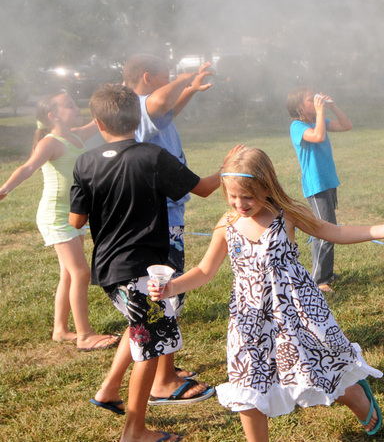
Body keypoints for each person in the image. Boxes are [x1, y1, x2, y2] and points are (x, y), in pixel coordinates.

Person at [148, 146, 384, 441]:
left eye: (248, 196)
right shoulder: (227, 225)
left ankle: (355, 395)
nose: (240, 203)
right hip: (249, 318)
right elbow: (204, 270)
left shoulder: (286, 214)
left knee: (318, 371)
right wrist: (172, 287)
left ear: (267, 186)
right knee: (247, 384)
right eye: (232, 196)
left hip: (297, 312)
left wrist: (382, 229)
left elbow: (333, 232)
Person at [69, 84, 228, 442]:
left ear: (97, 123)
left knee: (142, 330)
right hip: (143, 270)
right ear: (137, 117)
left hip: (110, 269)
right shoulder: (152, 156)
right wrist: (226, 168)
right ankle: (134, 432)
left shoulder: (85, 161)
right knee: (151, 345)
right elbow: (202, 188)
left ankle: (109, 392)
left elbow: (76, 221)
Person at [122, 53, 217, 398]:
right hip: (162, 219)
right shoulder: (141, 105)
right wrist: (184, 77)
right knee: (167, 295)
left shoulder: (152, 111)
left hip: (165, 215)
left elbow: (169, 108)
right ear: (148, 77)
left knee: (164, 296)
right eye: (166, 76)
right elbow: (159, 101)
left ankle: (165, 369)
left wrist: (189, 88)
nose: (171, 82)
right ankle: (164, 382)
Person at [0, 92, 119, 351]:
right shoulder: (50, 142)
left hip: (72, 215)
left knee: (68, 273)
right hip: (55, 216)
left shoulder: (76, 135)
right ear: (52, 115)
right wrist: (4, 189)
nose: (76, 108)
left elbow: (99, 119)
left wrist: (121, 90)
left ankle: (61, 330)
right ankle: (85, 336)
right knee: (81, 272)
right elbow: (28, 167)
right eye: (69, 106)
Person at [287, 87, 353, 293]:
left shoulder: (318, 122)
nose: (316, 102)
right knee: (325, 230)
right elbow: (317, 137)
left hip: (328, 182)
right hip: (316, 186)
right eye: (310, 100)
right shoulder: (297, 126)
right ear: (299, 107)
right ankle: (318, 280)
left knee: (328, 226)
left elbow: (346, 125)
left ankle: (326, 272)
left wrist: (332, 106)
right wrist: (321, 111)